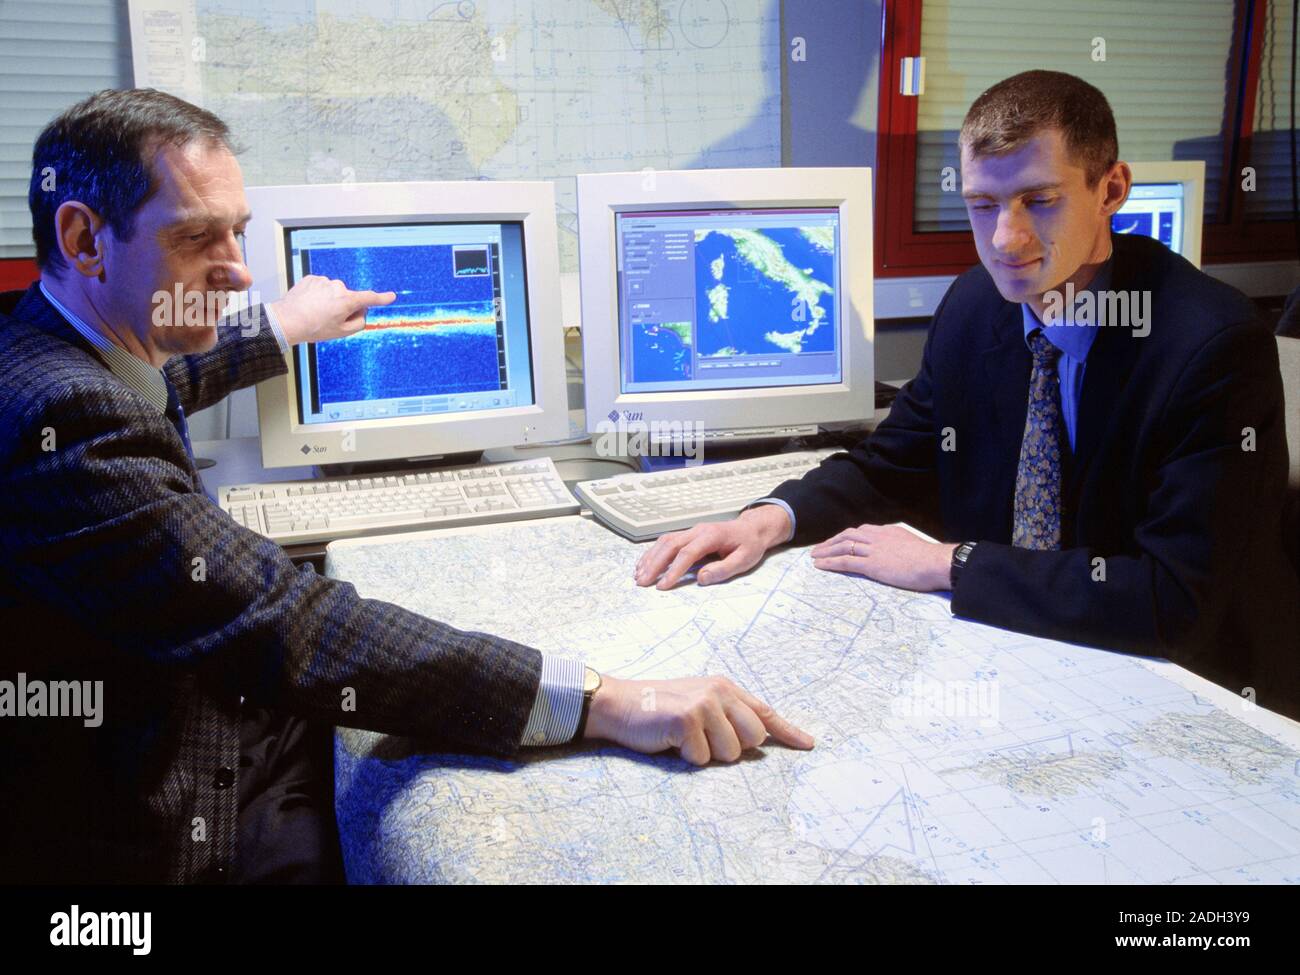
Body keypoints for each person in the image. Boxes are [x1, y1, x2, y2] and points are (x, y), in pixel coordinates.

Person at [0, 88, 812, 884]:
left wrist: (282, 326)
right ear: (85, 239)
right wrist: (601, 700)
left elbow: (158, 378)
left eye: (239, 234)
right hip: (154, 813)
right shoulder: (69, 422)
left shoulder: (53, 338)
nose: (239, 272)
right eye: (196, 238)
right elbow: (290, 625)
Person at [637, 70, 1300, 720]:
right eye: (984, 205)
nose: (1006, 239)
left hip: (1188, 690)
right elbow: (889, 463)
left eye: (1039, 200)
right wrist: (767, 519)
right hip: (1023, 655)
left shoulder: (1212, 346)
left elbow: (1173, 599)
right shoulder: (975, 307)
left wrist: (949, 565)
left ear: (1111, 189)